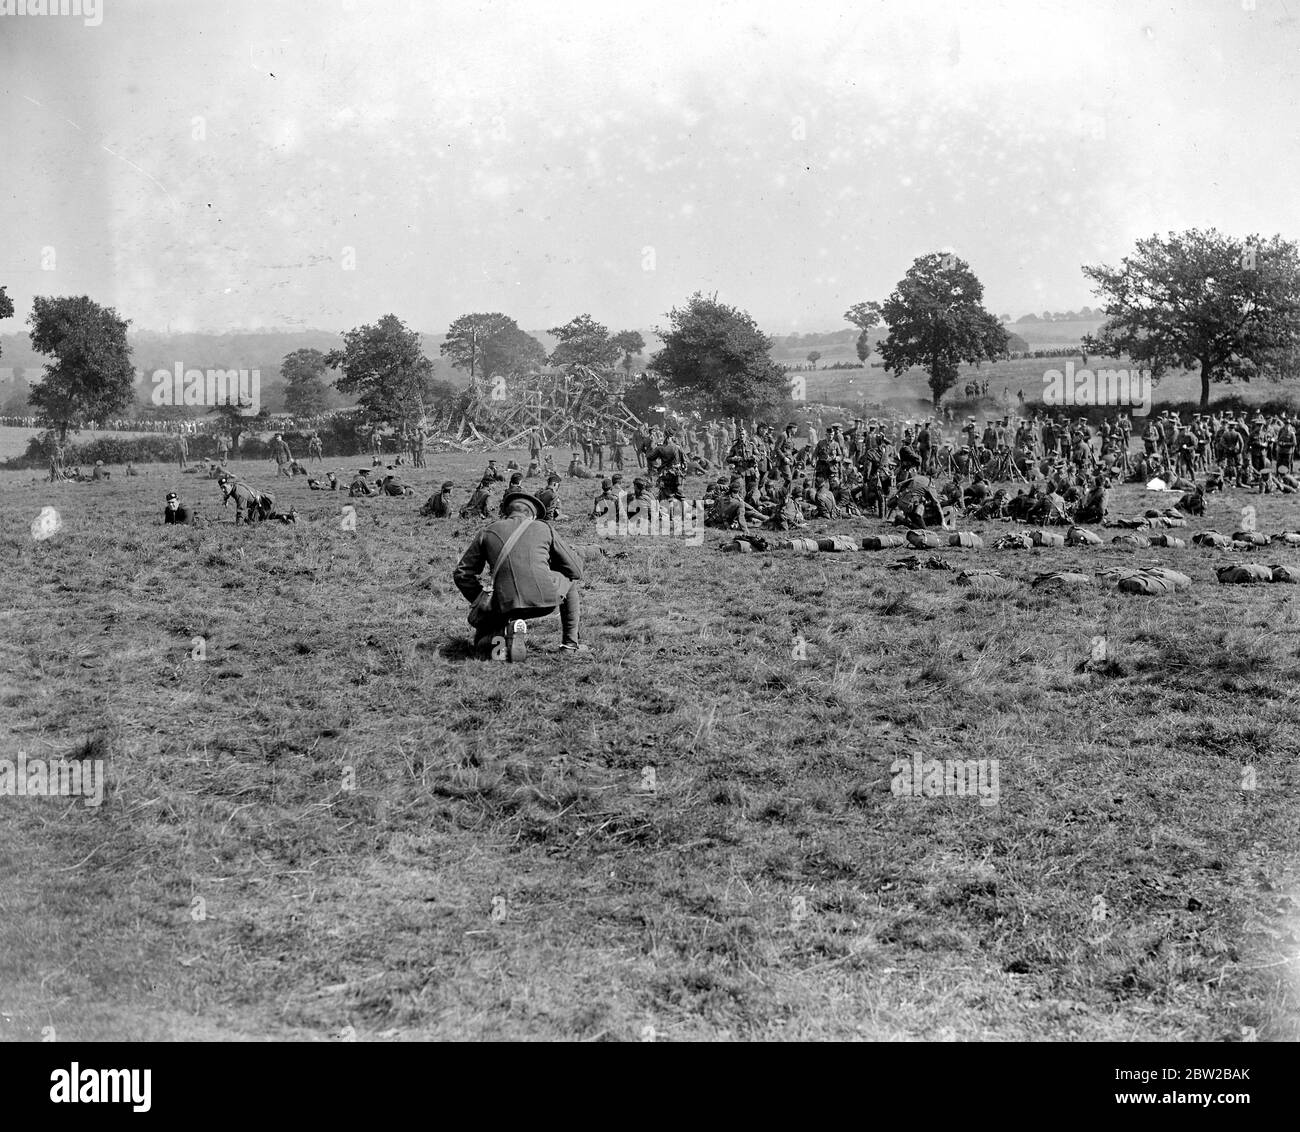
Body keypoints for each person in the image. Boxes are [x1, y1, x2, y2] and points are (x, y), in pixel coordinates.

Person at [453, 489, 588, 660]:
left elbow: (462, 573)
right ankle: (569, 646)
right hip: (543, 602)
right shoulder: (544, 528)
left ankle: (500, 638)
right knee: (570, 580)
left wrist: (480, 597)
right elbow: (576, 570)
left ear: (506, 512)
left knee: (482, 642)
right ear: (533, 515)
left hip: (503, 605)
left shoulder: (487, 531)